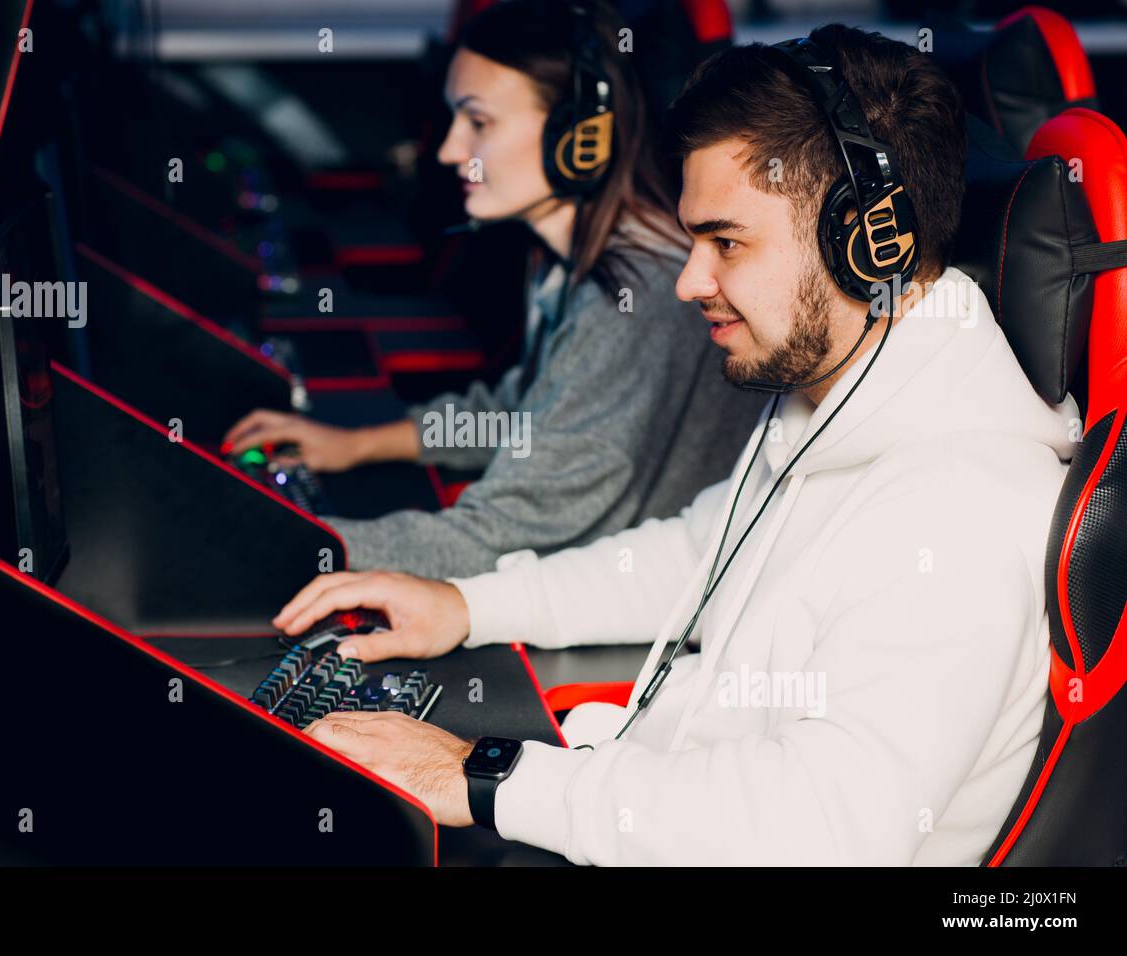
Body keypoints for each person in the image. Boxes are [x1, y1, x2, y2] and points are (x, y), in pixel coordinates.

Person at [269, 24, 1080, 865]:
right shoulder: (833, 405)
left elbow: (824, 830)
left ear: (868, 240)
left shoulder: (962, 511)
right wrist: (471, 605)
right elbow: (696, 556)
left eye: (727, 242)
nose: (690, 282)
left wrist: (487, 778)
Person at [222, 0, 759, 579]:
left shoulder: (628, 299)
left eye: (478, 123)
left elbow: (500, 537)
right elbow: (519, 416)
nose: (450, 150)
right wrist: (357, 444)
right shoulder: (571, 257)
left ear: (580, 136)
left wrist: (266, 542)